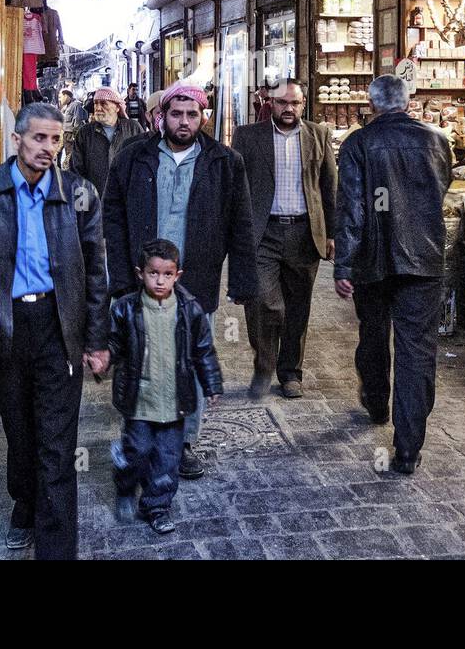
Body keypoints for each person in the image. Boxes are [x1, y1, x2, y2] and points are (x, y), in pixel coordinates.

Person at [0, 102, 109, 560]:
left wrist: (95, 340)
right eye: (39, 138)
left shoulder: (80, 193)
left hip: (59, 327)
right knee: (20, 431)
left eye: (56, 140)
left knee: (57, 443)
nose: (48, 148)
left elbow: (96, 272)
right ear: (16, 140)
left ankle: (56, 548)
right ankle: (25, 502)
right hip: (4, 327)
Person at [102, 82, 257, 479]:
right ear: (162, 116)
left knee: (187, 361)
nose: (184, 122)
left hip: (195, 280)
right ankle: (139, 436)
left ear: (202, 117)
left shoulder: (225, 161)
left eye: (192, 115)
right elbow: (113, 217)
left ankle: (183, 442)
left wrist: (243, 280)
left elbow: (241, 223)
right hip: (141, 280)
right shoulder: (133, 157)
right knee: (140, 359)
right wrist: (120, 278)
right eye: (177, 114)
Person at [334, 74, 453, 474]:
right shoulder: (437, 141)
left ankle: (376, 399)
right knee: (416, 351)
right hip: (424, 258)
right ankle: (408, 447)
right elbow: (439, 192)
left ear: (371, 105)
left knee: (372, 332)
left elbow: (352, 208)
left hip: (373, 260)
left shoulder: (358, 143)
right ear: (408, 101)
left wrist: (344, 264)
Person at [107, 239, 223, 535]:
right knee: (138, 451)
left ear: (177, 275)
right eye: (153, 273)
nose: (160, 280)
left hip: (174, 402)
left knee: (167, 460)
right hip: (140, 400)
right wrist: (102, 358)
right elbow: (114, 344)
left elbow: (203, 349)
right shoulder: (126, 309)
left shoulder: (189, 310)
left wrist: (212, 384)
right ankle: (125, 483)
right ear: (140, 273)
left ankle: (157, 506)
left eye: (167, 274)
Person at [232, 79, 337, 399]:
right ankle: (264, 366)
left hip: (304, 235)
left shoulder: (318, 135)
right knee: (264, 302)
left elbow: (330, 187)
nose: (288, 109)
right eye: (282, 103)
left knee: (298, 307)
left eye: (295, 103)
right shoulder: (247, 137)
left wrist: (332, 233)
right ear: (269, 103)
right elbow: (234, 187)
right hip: (263, 233)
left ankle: (291, 372)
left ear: (304, 104)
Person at [68, 86, 146, 195]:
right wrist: (83, 207)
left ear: (117, 108)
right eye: (96, 103)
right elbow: (76, 172)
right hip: (95, 202)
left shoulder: (133, 128)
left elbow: (144, 164)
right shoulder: (85, 133)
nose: (98, 108)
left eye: (103, 103)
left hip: (126, 201)